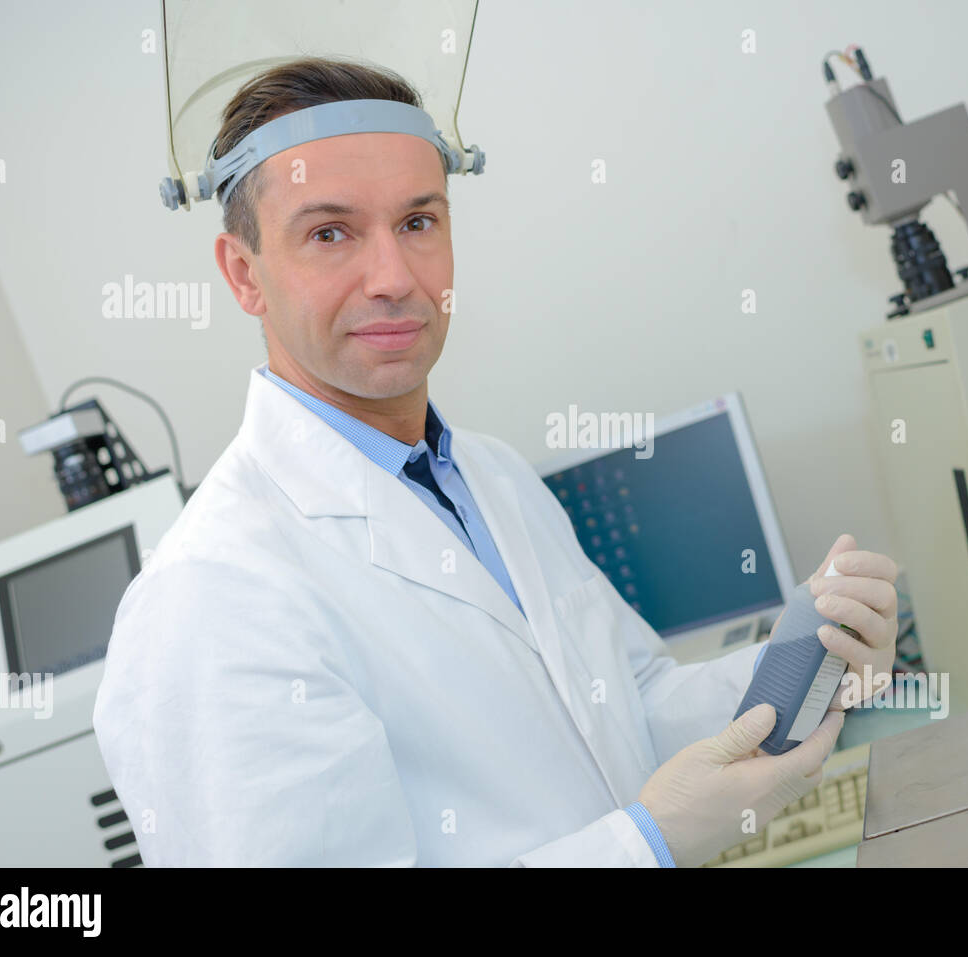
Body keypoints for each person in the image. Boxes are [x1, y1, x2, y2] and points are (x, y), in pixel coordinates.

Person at [93, 56, 899, 867]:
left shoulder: (491, 475)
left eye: (418, 222)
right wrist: (644, 842)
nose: (394, 277)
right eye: (329, 233)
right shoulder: (209, 596)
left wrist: (802, 659)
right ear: (244, 274)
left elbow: (630, 705)